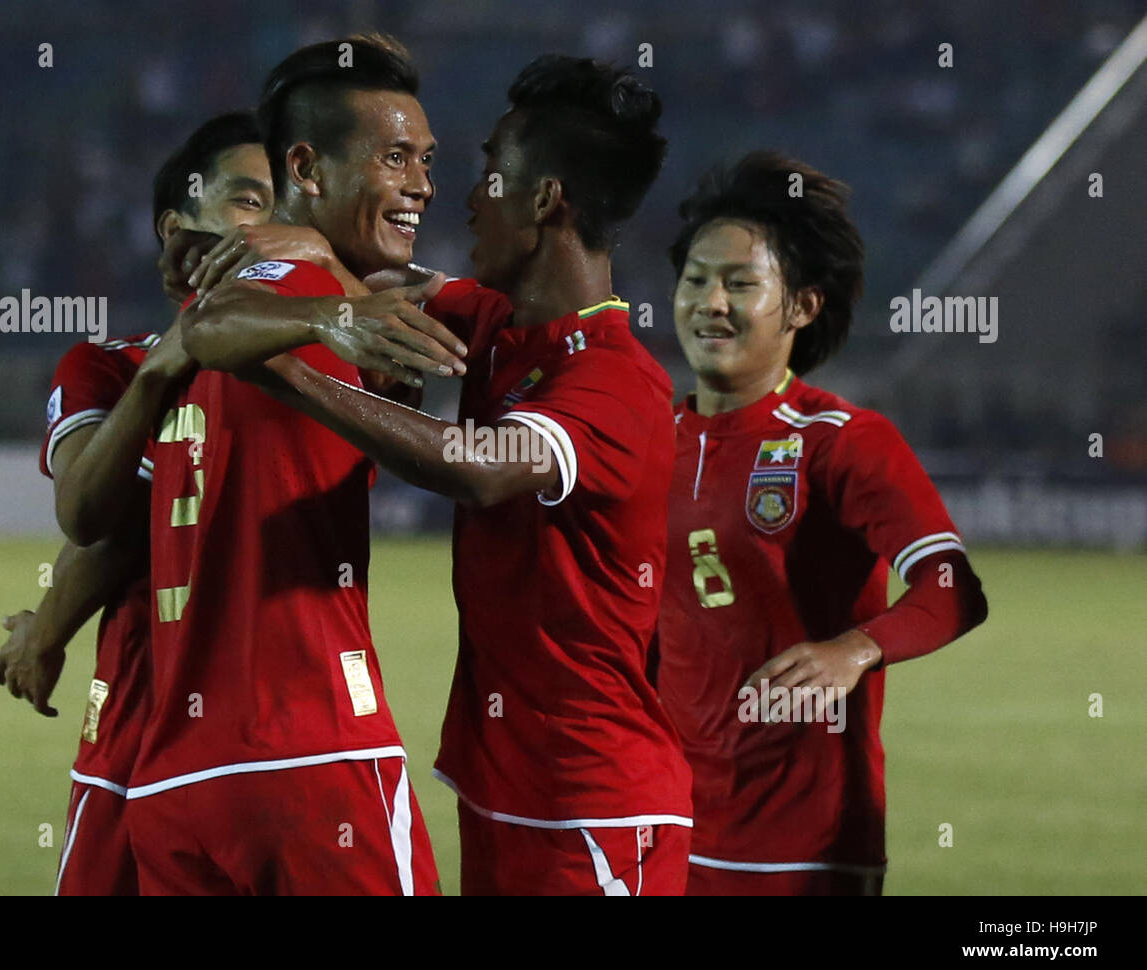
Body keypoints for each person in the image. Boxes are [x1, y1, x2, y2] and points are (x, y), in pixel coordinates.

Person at [185, 55, 693, 896]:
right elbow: (369, 279)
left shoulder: (617, 378)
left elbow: (479, 467)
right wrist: (306, 232)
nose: (461, 193)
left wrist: (285, 373)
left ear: (545, 202)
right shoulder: (495, 321)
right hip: (504, 787)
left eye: (493, 174)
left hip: (596, 805)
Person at [124, 35, 465, 896]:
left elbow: (206, 328)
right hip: (316, 751)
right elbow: (220, 326)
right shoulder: (290, 288)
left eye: (427, 159)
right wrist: (334, 318)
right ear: (306, 167)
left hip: (177, 779)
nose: (423, 183)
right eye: (395, 158)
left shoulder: (271, 287)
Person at [653, 152, 989, 895]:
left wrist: (856, 649)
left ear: (802, 307)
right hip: (665, 828)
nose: (711, 301)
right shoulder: (649, 441)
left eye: (740, 283)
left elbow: (952, 588)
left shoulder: (840, 439)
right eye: (696, 278)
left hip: (804, 846)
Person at [0, 111, 275, 894]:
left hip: (286, 746)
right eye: (249, 202)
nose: (271, 231)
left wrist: (45, 632)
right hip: (135, 739)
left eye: (288, 211)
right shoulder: (108, 368)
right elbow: (105, 516)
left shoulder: (309, 366)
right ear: (178, 228)